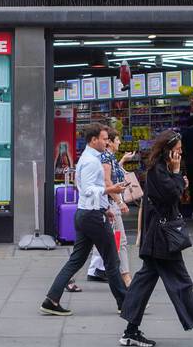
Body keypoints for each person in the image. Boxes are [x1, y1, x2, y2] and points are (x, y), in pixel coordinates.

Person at [118, 130, 193, 347]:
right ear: (168, 150)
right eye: (178, 150)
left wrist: (177, 178)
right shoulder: (158, 171)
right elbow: (171, 196)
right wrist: (178, 175)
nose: (180, 153)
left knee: (143, 283)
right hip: (162, 240)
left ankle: (130, 331)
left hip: (157, 238)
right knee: (181, 284)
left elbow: (171, 193)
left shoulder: (161, 170)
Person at [40, 123, 130, 317]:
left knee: (77, 260)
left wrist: (104, 207)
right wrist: (110, 190)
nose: (107, 142)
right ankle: (124, 302)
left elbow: (84, 189)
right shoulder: (91, 161)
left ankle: (51, 299)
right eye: (105, 139)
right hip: (91, 217)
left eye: (108, 139)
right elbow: (88, 189)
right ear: (93, 140)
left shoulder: (90, 158)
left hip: (87, 213)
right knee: (112, 260)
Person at [87, 131, 133, 288]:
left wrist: (123, 160)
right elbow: (107, 181)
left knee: (110, 241)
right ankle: (125, 277)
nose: (119, 142)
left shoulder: (110, 158)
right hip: (110, 205)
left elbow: (112, 175)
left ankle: (102, 270)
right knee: (120, 241)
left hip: (107, 205)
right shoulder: (106, 157)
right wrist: (119, 202)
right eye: (117, 140)